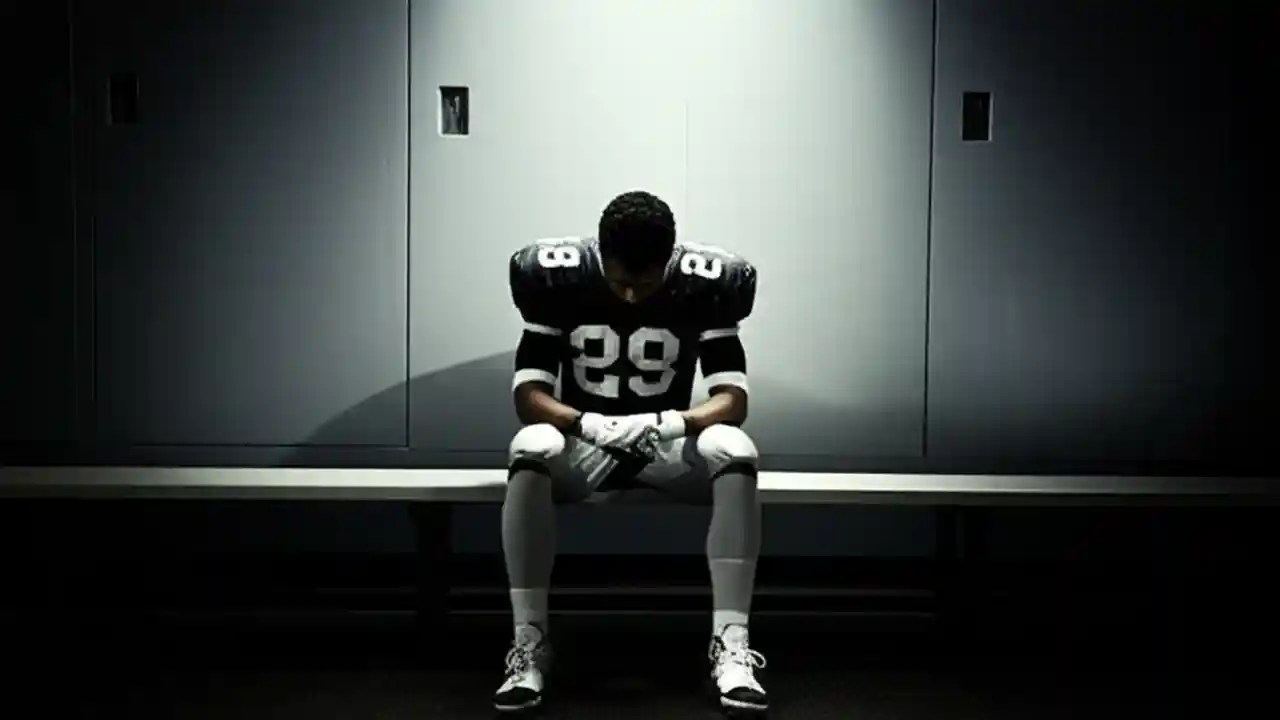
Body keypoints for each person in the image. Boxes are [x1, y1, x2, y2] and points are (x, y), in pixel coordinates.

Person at [493, 190, 766, 716]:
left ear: (669, 261)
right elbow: (528, 397)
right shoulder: (559, 282)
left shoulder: (702, 287)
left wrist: (672, 423)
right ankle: (529, 642)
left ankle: (731, 644)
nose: (633, 295)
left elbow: (734, 400)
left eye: (645, 283)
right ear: (601, 257)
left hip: (661, 446)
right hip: (586, 448)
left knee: (734, 447)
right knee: (531, 445)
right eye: (621, 283)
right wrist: (585, 422)